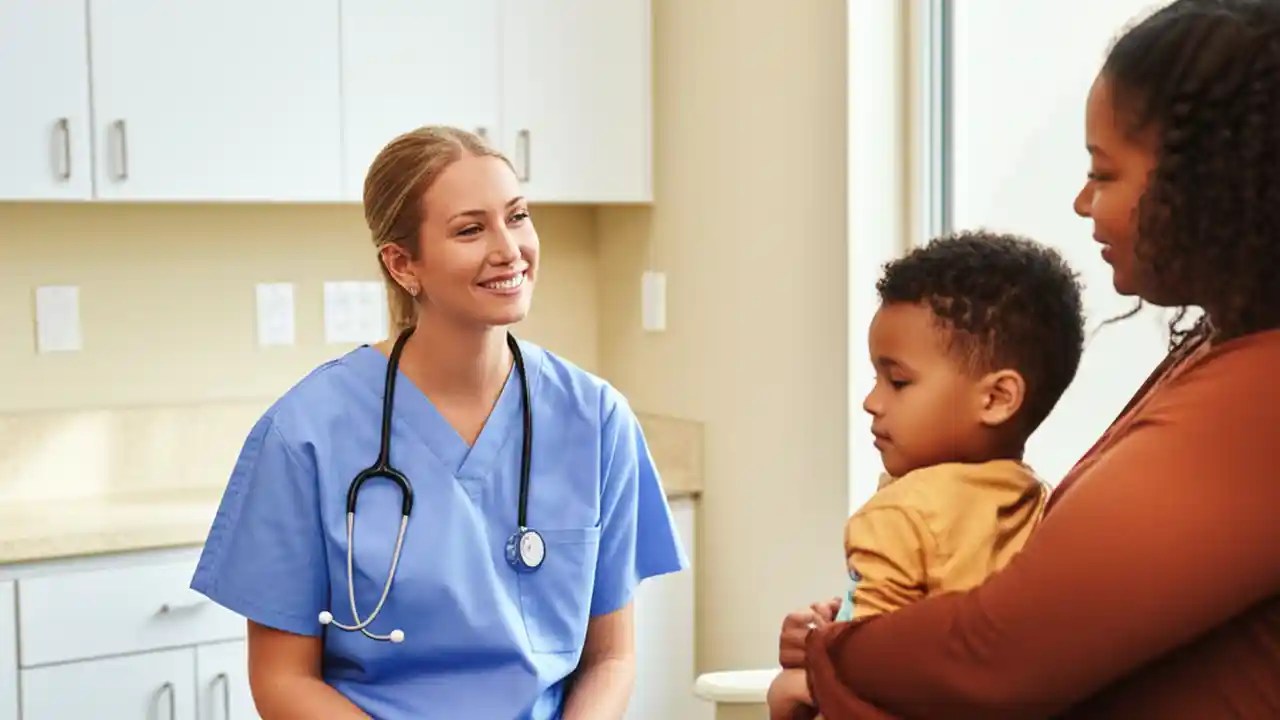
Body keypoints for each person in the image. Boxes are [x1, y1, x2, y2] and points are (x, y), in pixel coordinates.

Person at [771, 0, 1280, 717]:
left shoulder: (1258, 397)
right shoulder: (1225, 350)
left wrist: (832, 654)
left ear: (1209, 184)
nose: (1082, 201)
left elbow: (995, 654)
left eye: (1104, 174)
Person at [189, 125, 687, 719]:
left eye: (518, 216)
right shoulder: (305, 436)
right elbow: (282, 680)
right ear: (403, 264)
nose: (509, 249)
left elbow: (610, 658)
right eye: (471, 229)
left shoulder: (596, 420)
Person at [766, 231, 1085, 715]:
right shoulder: (1040, 503)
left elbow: (862, 687)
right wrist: (835, 627)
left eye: (897, 381)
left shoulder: (898, 516)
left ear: (997, 398)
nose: (872, 401)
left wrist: (794, 692)